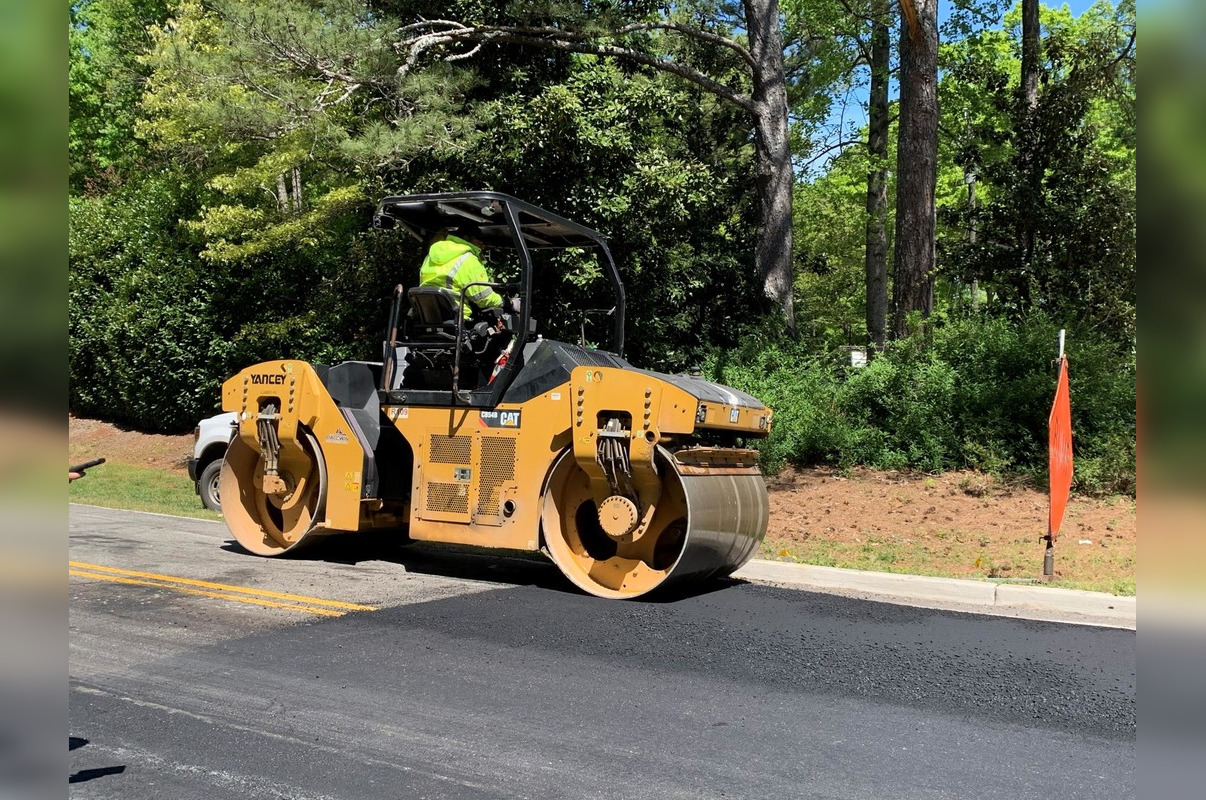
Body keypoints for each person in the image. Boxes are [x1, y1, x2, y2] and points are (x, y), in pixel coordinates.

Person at [418, 225, 503, 319]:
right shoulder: (468, 259)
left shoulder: (431, 255)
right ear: (466, 238)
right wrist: (505, 302)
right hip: (457, 320)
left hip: (427, 317)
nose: (482, 244)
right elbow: (483, 298)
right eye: (478, 240)